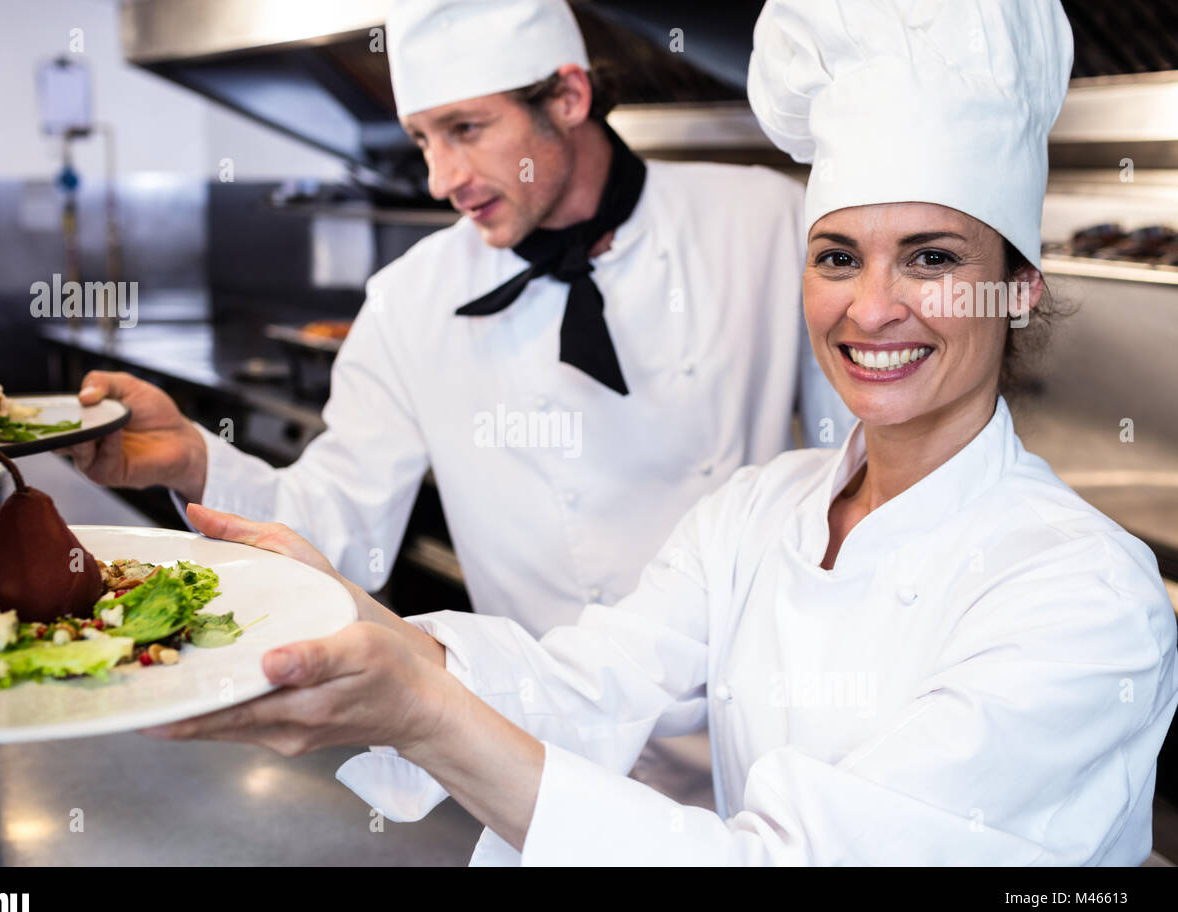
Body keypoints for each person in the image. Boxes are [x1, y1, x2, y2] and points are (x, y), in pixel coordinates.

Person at [144, 0, 1178, 865]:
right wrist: (385, 652)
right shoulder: (756, 512)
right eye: (835, 258)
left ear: (1018, 291)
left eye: (932, 257)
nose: (870, 308)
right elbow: (585, 679)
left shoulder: (1086, 595)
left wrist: (420, 707)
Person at [66, 0, 852, 807]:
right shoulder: (412, 300)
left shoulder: (764, 221)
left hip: (755, 743)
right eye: (420, 139)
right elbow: (338, 521)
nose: (442, 179)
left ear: (568, 98)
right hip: (539, 748)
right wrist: (198, 459)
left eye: (466, 129)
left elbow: (851, 479)